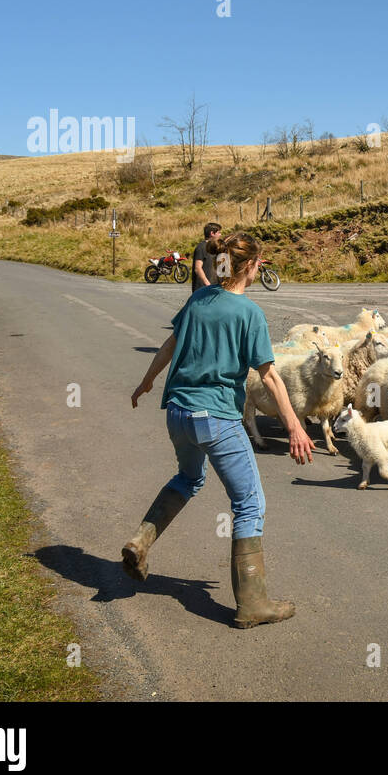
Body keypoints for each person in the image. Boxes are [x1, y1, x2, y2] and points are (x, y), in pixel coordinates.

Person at [126, 232, 311, 628]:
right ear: (252, 266)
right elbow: (271, 378)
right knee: (249, 504)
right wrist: (294, 426)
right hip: (215, 418)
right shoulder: (249, 313)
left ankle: (141, 541)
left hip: (177, 411)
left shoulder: (198, 299)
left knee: (189, 477)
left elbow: (169, 346)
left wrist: (145, 383)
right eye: (260, 263)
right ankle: (252, 603)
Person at [191, 222, 222, 293]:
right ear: (212, 233)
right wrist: (208, 284)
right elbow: (198, 268)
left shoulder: (217, 248)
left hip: (215, 288)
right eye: (219, 233)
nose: (220, 235)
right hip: (202, 289)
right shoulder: (201, 247)